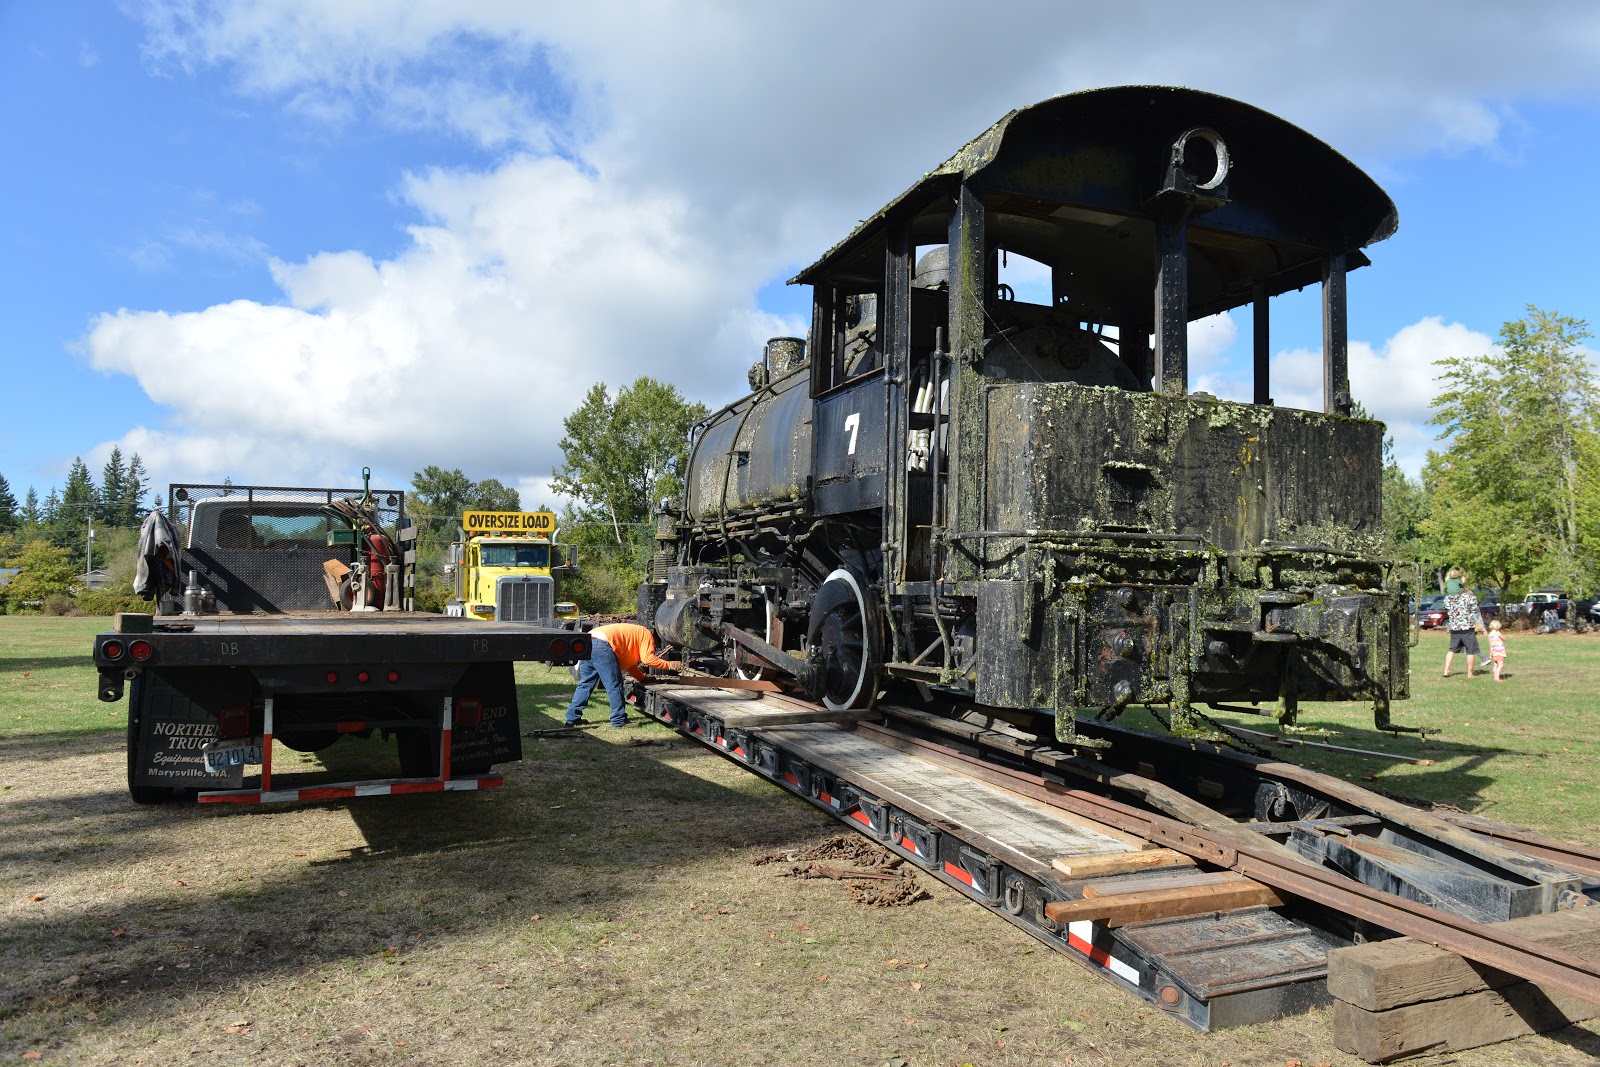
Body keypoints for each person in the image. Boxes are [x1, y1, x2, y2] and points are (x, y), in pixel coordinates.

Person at [564, 622, 677, 728]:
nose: (653, 648)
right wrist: (671, 665)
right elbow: (648, 659)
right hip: (602, 645)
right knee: (614, 685)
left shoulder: (634, 636)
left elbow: (630, 665)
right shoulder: (646, 634)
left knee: (586, 684)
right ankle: (619, 720)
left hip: (588, 642)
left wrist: (643, 678)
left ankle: (572, 719)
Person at [1441, 569, 1485, 679]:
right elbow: (1475, 609)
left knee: (1452, 649)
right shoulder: (1467, 597)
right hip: (1467, 628)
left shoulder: (1447, 599)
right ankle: (1470, 673)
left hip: (1454, 628)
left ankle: (1446, 670)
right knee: (1470, 651)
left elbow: (1446, 609)